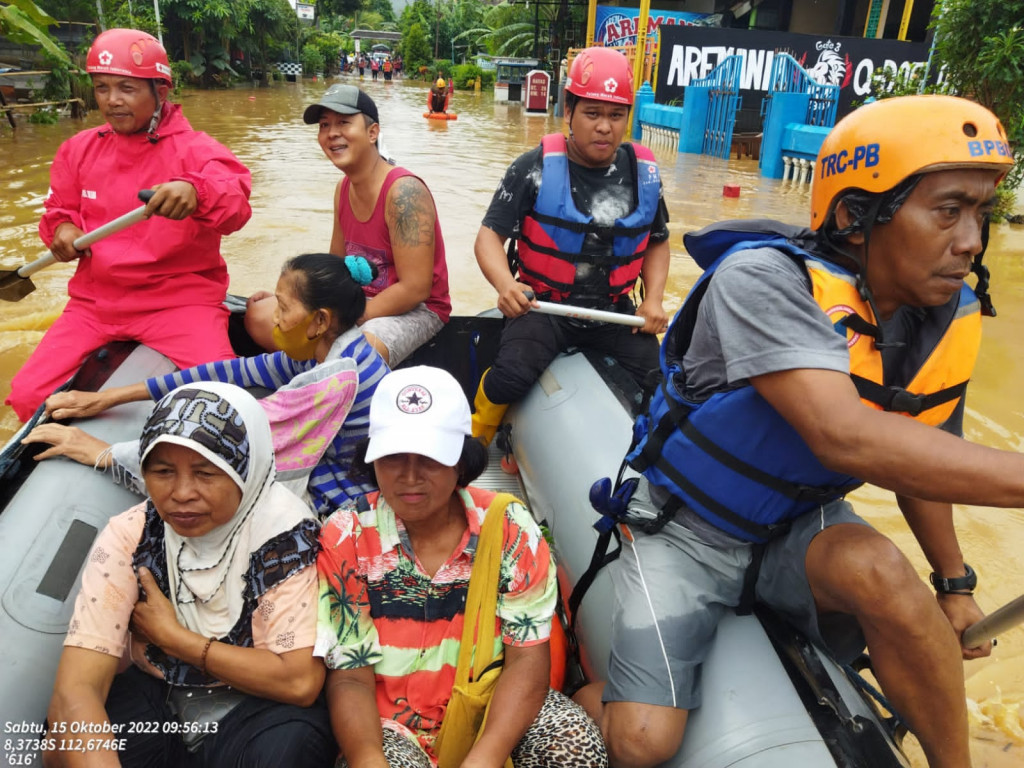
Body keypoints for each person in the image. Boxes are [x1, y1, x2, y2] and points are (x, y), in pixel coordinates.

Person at [572, 95, 1018, 768]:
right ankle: (583, 702)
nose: (972, 241)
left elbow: (927, 460)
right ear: (853, 216)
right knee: (641, 744)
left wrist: (955, 587)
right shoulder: (761, 280)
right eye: (949, 210)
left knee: (886, 574)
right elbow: (844, 436)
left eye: (982, 212)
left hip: (798, 526)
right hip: (689, 531)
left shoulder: (939, 314)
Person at [314, 366, 607, 767]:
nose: (410, 476)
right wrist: (368, 757)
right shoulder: (345, 535)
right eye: (393, 456)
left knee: (573, 745)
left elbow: (527, 659)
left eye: (431, 456)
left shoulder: (509, 527)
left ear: (461, 461)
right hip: (389, 726)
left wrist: (486, 756)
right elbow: (350, 674)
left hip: (489, 703)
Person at [43, 382, 340, 768]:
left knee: (288, 748)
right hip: (160, 696)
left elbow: (299, 682)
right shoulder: (134, 533)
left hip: (261, 708)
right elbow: (78, 686)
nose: (182, 493)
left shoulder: (283, 536)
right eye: (163, 471)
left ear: (245, 471)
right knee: (64, 738)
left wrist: (174, 638)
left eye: (205, 472)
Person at [5, 28, 252, 423]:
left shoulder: (199, 150)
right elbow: (58, 210)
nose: (112, 100)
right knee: (26, 396)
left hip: (179, 301)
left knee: (222, 399)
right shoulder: (78, 149)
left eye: (126, 88)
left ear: (161, 91)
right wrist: (62, 231)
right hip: (95, 303)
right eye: (102, 88)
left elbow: (236, 205)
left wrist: (197, 191)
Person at [23, 253, 388, 517]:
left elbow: (233, 435)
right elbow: (235, 372)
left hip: (347, 497)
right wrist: (113, 397)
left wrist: (104, 452)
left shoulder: (333, 379)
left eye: (283, 307)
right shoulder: (326, 348)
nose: (275, 318)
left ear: (320, 320)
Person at [472, 47, 670, 445]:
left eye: (616, 115)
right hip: (544, 308)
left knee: (661, 383)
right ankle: (476, 440)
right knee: (511, 375)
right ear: (568, 111)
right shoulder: (532, 168)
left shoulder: (643, 175)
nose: (604, 127)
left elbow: (657, 243)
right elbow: (488, 238)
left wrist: (653, 301)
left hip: (614, 313)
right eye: (592, 113)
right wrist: (506, 286)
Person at [245, 85, 451, 367]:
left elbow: (415, 288)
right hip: (358, 300)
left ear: (372, 132)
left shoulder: (404, 192)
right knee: (258, 316)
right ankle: (320, 368)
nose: (332, 133)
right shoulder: (342, 189)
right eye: (324, 125)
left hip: (416, 310)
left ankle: (322, 369)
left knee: (351, 355)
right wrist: (293, 299)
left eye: (343, 122)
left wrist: (344, 320)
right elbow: (337, 267)